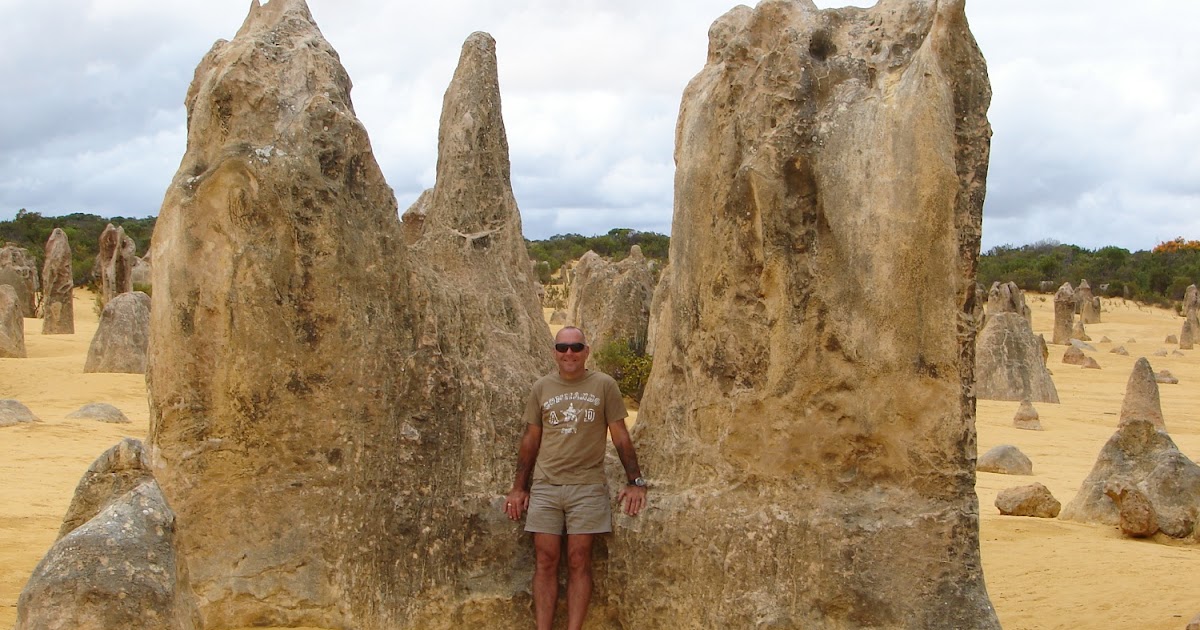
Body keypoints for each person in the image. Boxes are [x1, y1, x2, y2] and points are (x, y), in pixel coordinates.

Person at [504, 326, 647, 630]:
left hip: (587, 486)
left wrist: (635, 481)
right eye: (563, 347)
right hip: (546, 485)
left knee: (580, 559)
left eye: (576, 347)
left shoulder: (604, 385)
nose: (569, 353)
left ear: (586, 351)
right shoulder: (542, 387)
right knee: (545, 560)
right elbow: (531, 439)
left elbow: (620, 435)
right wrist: (519, 488)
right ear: (554, 352)